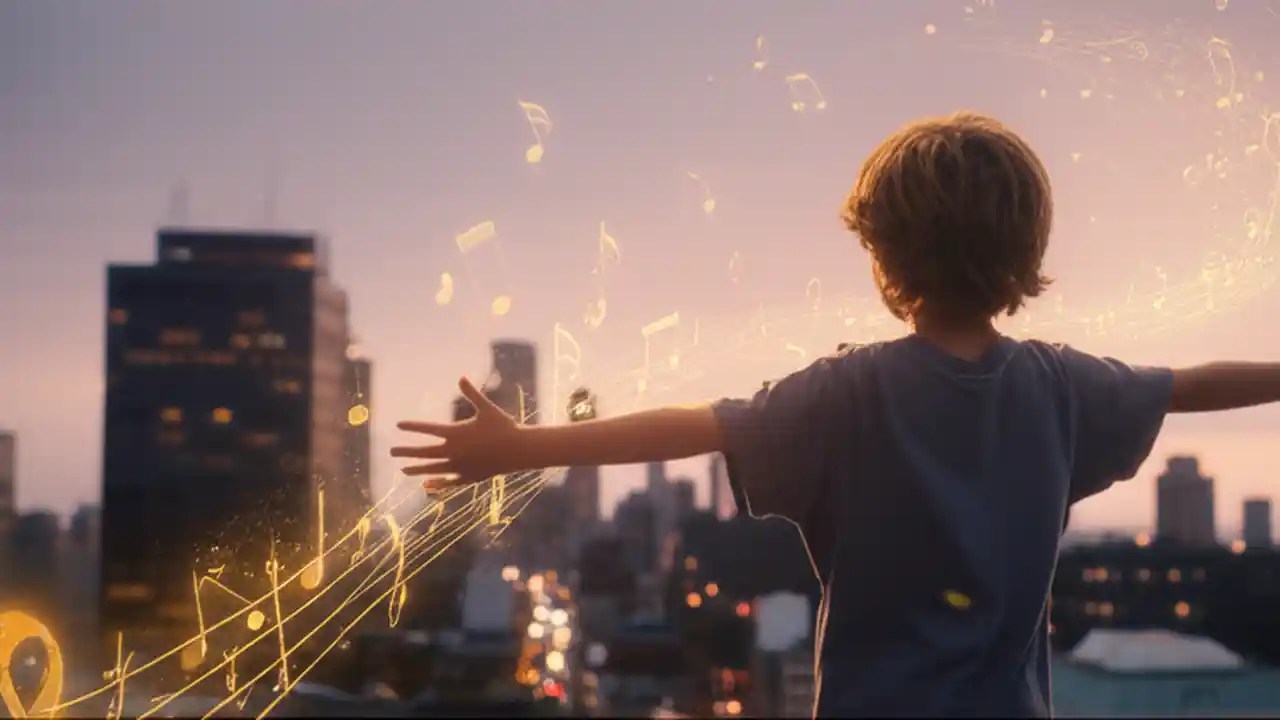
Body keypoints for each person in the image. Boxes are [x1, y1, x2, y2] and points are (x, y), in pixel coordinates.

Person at [392, 112, 1280, 717]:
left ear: (884, 251)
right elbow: (1188, 383)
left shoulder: (852, 393)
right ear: (1026, 248)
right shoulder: (1061, 388)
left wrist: (520, 448)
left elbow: (692, 425)